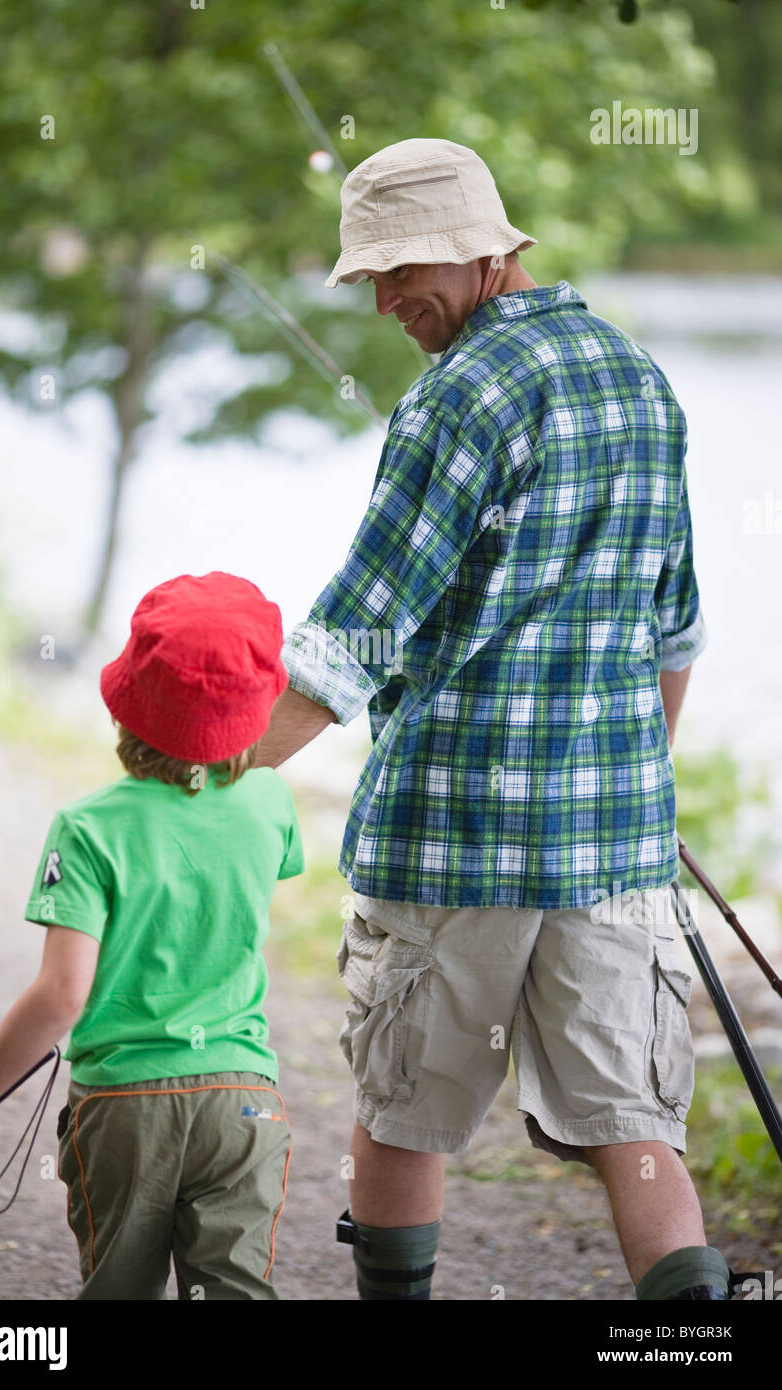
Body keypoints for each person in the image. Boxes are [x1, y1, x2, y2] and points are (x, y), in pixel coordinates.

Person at [253, 138, 731, 1302]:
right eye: (367, 276)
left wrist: (193, 779)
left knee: (405, 1119)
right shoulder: (636, 377)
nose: (382, 297)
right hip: (607, 845)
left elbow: (348, 640)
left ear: (483, 251)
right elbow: (671, 631)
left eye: (400, 267)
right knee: (634, 1126)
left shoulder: (452, 401)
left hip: (450, 841)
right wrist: (632, 796)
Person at [0, 571, 304, 1300]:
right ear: (259, 705)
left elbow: (64, 992)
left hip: (128, 1107)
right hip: (246, 1102)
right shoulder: (273, 802)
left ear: (127, 698)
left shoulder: (90, 825)